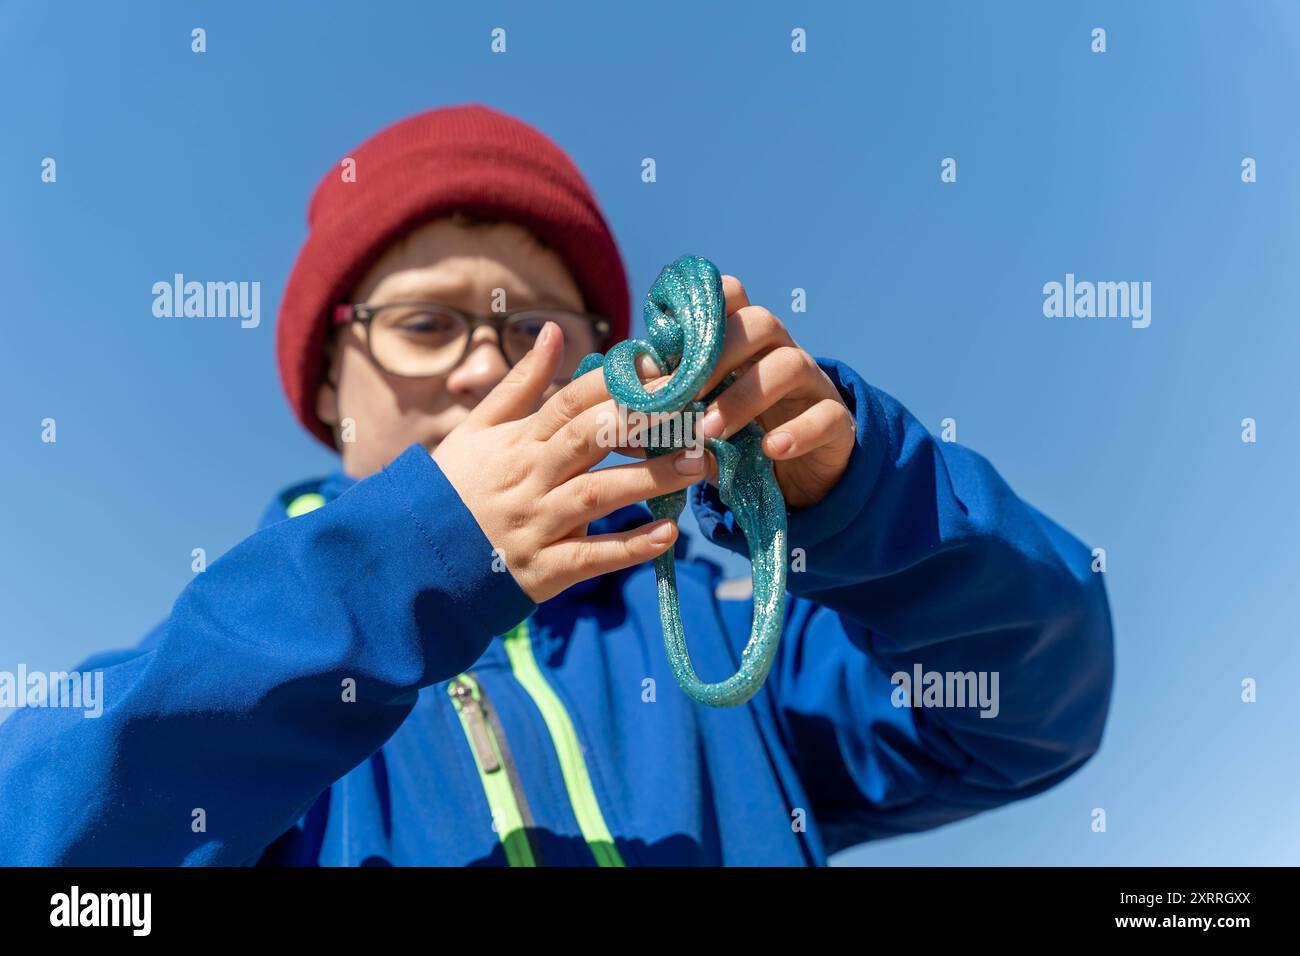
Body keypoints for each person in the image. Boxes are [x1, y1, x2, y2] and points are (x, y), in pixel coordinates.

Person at [0, 103, 1114, 866]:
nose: (486, 364)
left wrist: (862, 496)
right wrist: (411, 566)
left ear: (606, 358)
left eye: (532, 324)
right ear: (331, 384)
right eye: (428, 324)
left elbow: (1030, 707)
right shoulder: (227, 674)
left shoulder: (730, 647)